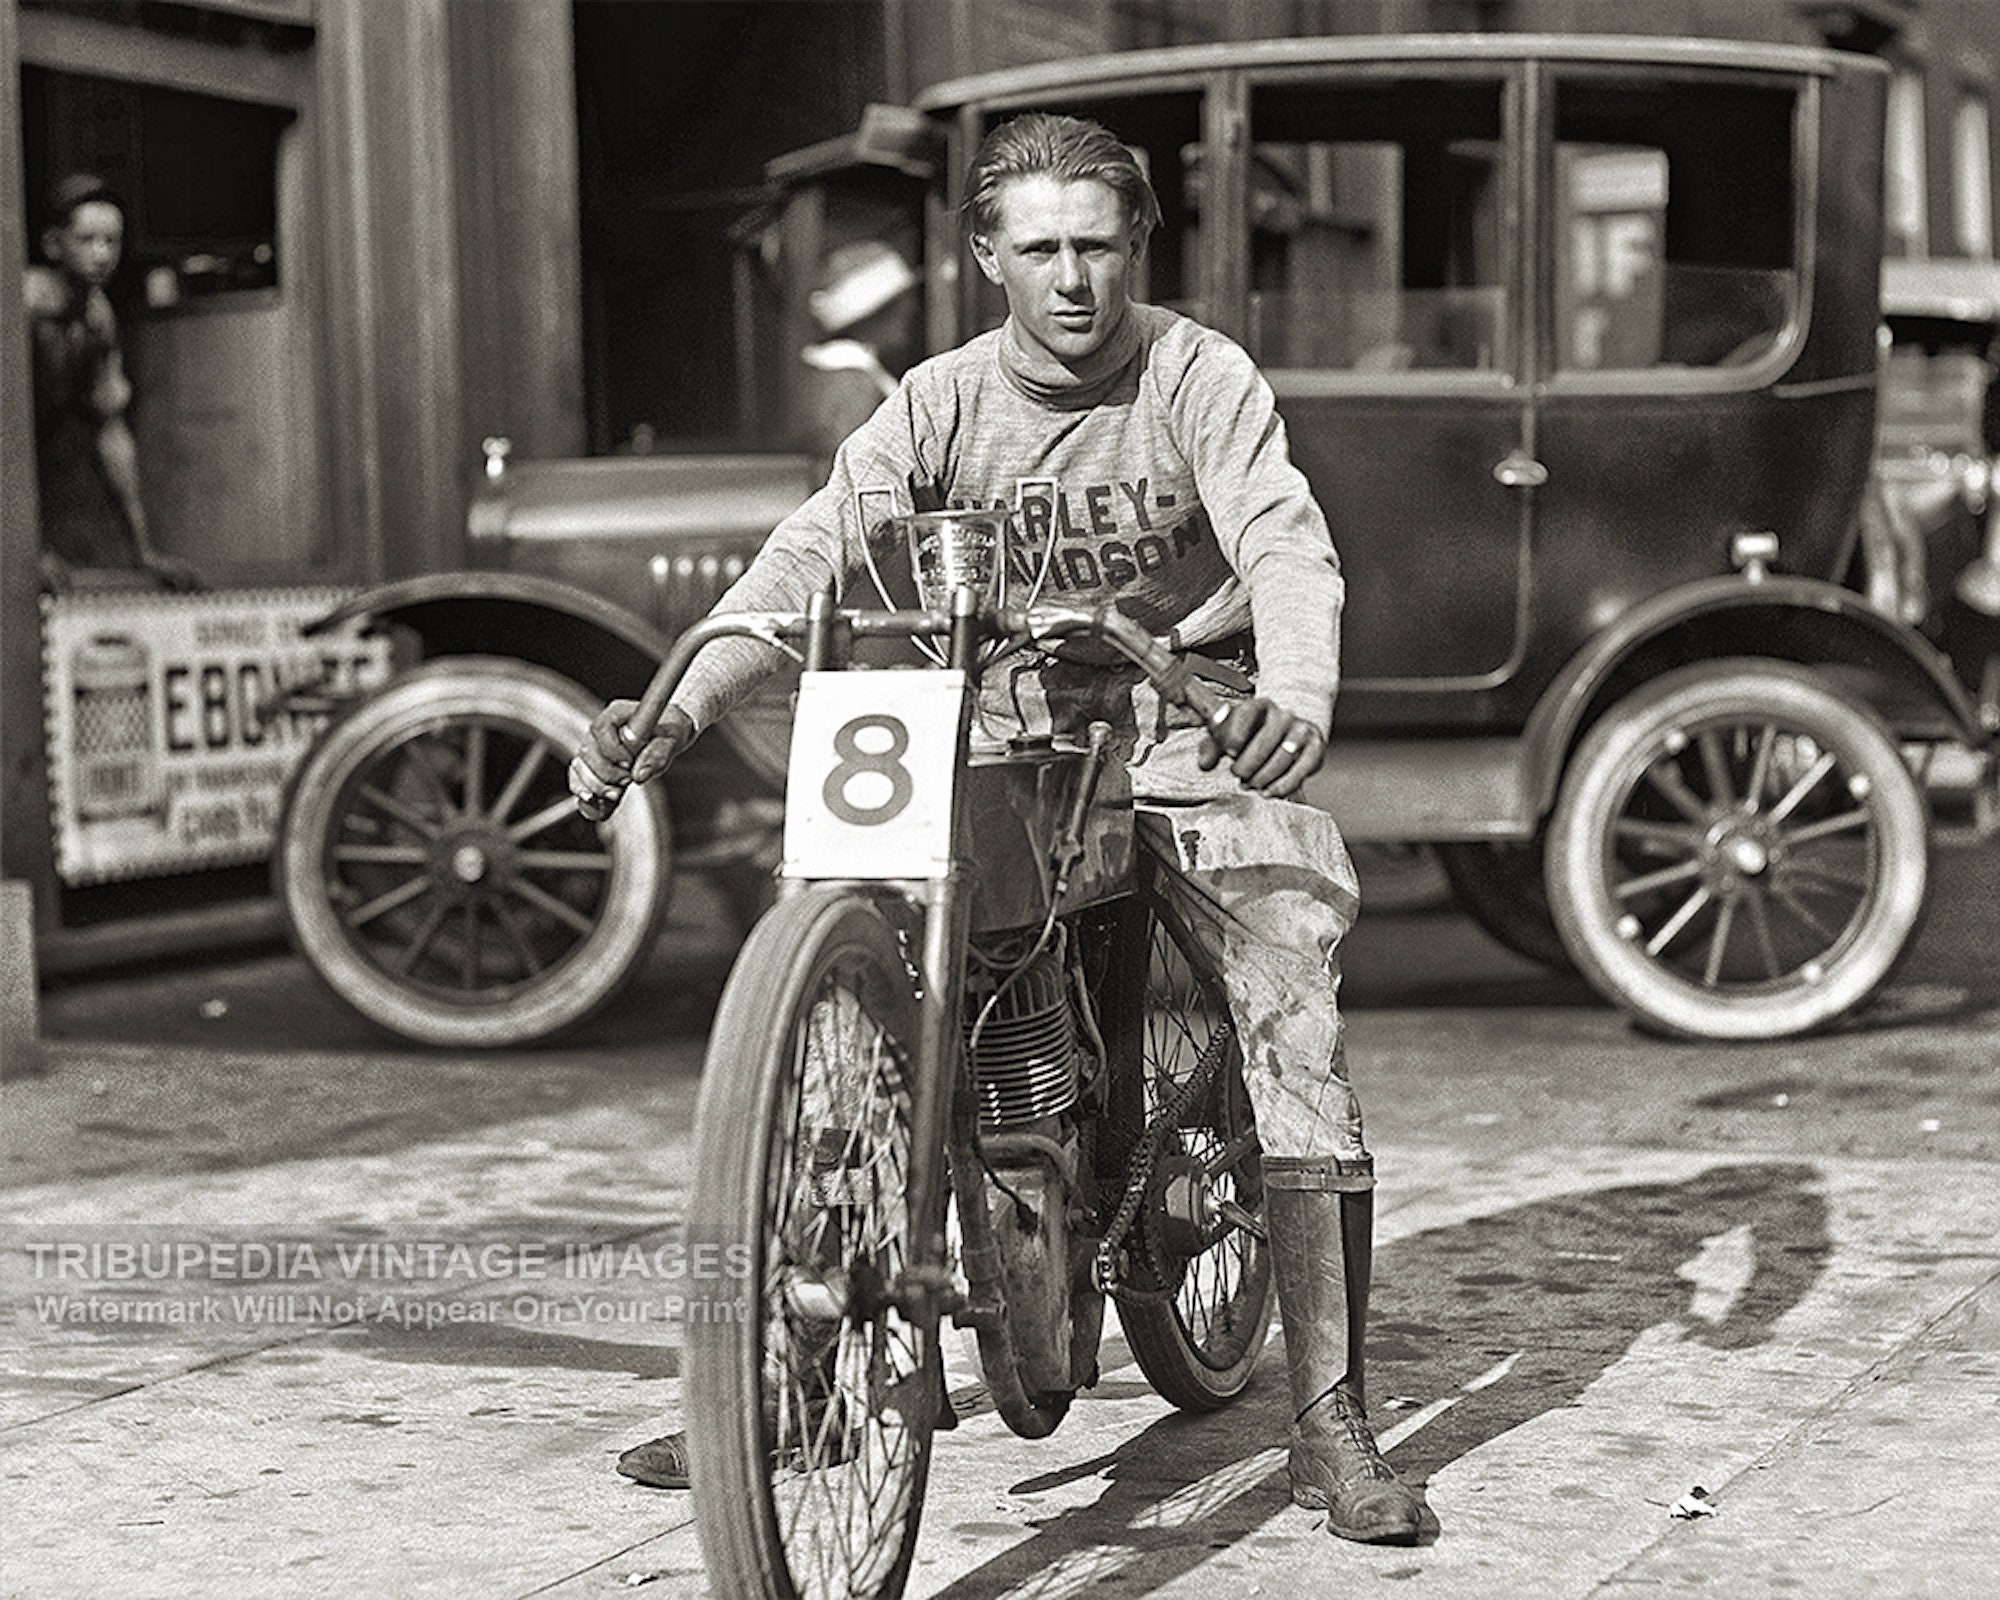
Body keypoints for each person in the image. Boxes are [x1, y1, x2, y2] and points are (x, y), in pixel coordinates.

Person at [569, 111, 1437, 1546]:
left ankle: (1326, 1422)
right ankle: (790, 1378)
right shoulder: (936, 403)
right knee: (858, 1003)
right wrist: (676, 703)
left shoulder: (1197, 376)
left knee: (1288, 990)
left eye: (1098, 245)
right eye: (1039, 250)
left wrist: (1292, 693)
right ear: (988, 257)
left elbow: (1285, 536)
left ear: (1137, 248)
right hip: (995, 728)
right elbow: (809, 561)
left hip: (1177, 719)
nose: (1073, 279)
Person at [26, 173, 199, 591]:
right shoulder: (23, 304)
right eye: (86, 240)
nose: (102, 254)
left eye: (111, 241)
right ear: (54, 244)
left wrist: (143, 551)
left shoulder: (97, 315)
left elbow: (111, 430)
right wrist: (19, 551)